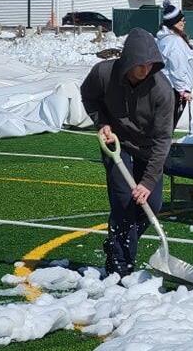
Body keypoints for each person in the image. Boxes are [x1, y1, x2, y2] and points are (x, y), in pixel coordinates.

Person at [80, 28, 173, 276]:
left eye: (151, 64)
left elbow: (163, 139)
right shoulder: (103, 73)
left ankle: (116, 245)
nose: (146, 70)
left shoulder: (162, 91)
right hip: (117, 143)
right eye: (141, 65)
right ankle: (121, 266)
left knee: (151, 203)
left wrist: (148, 181)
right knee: (123, 202)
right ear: (128, 60)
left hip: (148, 147)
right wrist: (102, 122)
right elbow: (88, 96)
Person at [155, 0, 193, 128]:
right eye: (180, 20)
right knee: (167, 127)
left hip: (165, 88)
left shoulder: (164, 40)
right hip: (174, 91)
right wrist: (183, 90)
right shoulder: (175, 42)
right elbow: (178, 68)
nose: (183, 22)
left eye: (184, 19)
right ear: (172, 23)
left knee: (163, 126)